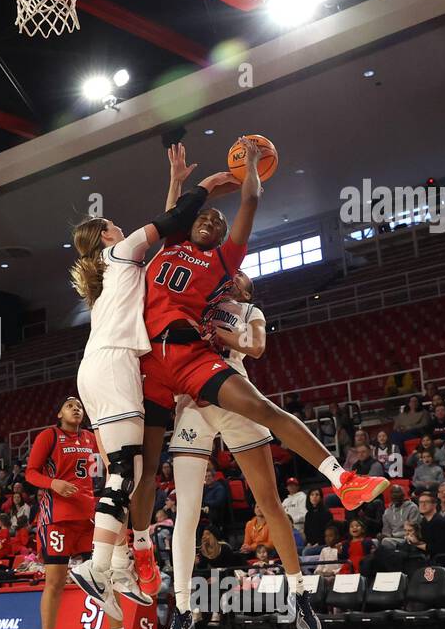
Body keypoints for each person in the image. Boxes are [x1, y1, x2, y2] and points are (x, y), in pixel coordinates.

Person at [143, 142, 386, 522]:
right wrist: (175, 181)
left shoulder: (223, 260)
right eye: (203, 219)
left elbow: (250, 202)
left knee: (263, 408)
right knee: (140, 460)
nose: (209, 223)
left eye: (217, 224)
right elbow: (173, 213)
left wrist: (252, 166)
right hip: (149, 355)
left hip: (189, 355)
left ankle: (343, 479)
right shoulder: (173, 242)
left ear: (223, 239)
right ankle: (135, 547)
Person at [67, 143, 241, 617]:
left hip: (101, 367)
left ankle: (119, 561)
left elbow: (170, 233)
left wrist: (177, 182)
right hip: (114, 365)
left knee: (134, 472)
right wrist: (204, 187)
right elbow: (174, 222)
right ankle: (98, 566)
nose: (119, 224)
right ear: (104, 235)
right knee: (125, 470)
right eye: (111, 223)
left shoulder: (117, 268)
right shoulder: (122, 252)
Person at [141, 267, 320, 629]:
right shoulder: (197, 298)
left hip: (234, 393)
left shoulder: (249, 311)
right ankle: (184, 610)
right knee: (185, 513)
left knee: (269, 502)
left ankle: (299, 593)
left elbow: (256, 348)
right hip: (192, 401)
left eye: (239, 275)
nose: (232, 275)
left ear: (245, 287)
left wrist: (217, 332)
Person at [27, 397, 145, 629]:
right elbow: (31, 473)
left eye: (79, 405)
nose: (76, 408)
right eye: (70, 405)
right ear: (59, 413)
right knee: (55, 583)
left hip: (88, 517)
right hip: (56, 518)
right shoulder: (50, 435)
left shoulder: (93, 438)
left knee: (104, 576)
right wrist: (53, 483)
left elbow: (109, 469)